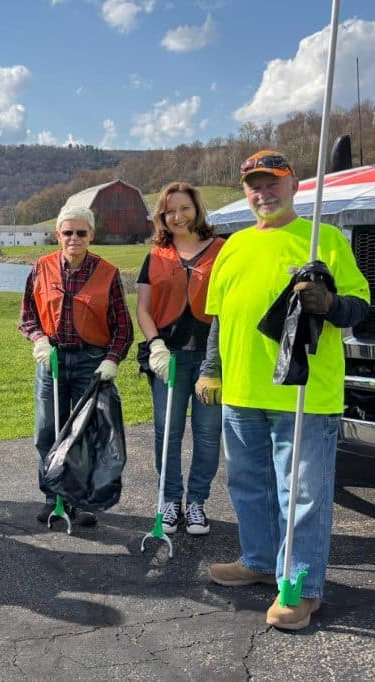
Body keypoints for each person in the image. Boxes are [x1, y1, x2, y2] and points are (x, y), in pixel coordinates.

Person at [197, 150, 369, 630]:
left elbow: (360, 309)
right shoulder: (232, 246)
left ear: (294, 185)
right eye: (253, 184)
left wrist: (331, 303)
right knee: (248, 485)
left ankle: (301, 589)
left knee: (302, 494)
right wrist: (212, 369)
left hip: (304, 394)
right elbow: (220, 317)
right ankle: (258, 560)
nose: (262, 192)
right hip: (243, 392)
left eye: (272, 183)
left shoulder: (324, 238)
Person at [19, 204, 134, 527]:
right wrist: (39, 339)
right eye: (67, 232)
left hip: (90, 363)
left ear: (91, 235)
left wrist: (112, 360)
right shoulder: (41, 267)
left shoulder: (107, 273)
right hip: (51, 358)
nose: (74, 238)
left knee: (84, 434)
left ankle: (83, 501)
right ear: (58, 235)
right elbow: (27, 314)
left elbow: (123, 327)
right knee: (47, 432)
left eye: (81, 233)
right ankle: (53, 496)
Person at [135, 183, 224, 536]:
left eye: (184, 208)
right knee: (167, 433)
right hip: (167, 359)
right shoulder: (155, 255)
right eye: (170, 211)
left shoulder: (222, 250)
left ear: (196, 209)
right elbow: (143, 308)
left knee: (206, 434)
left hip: (210, 360)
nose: (178, 216)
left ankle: (197, 502)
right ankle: (170, 500)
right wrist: (154, 344)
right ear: (162, 216)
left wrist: (217, 361)